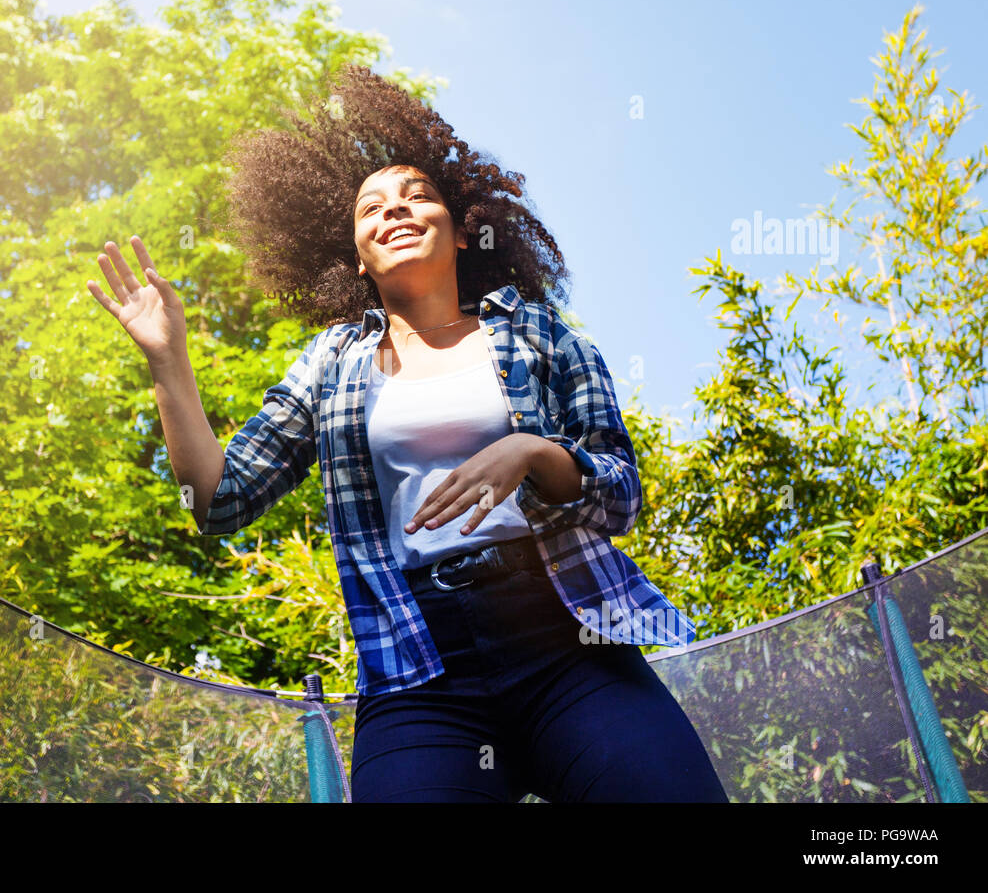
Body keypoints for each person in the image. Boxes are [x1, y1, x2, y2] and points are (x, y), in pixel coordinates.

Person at [87, 63, 727, 803]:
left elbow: (620, 494)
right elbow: (217, 499)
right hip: (421, 669)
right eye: (371, 209)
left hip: (568, 647)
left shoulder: (540, 336)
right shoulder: (331, 364)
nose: (396, 210)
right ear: (357, 257)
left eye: (419, 196)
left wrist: (532, 452)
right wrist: (169, 365)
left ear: (460, 235)